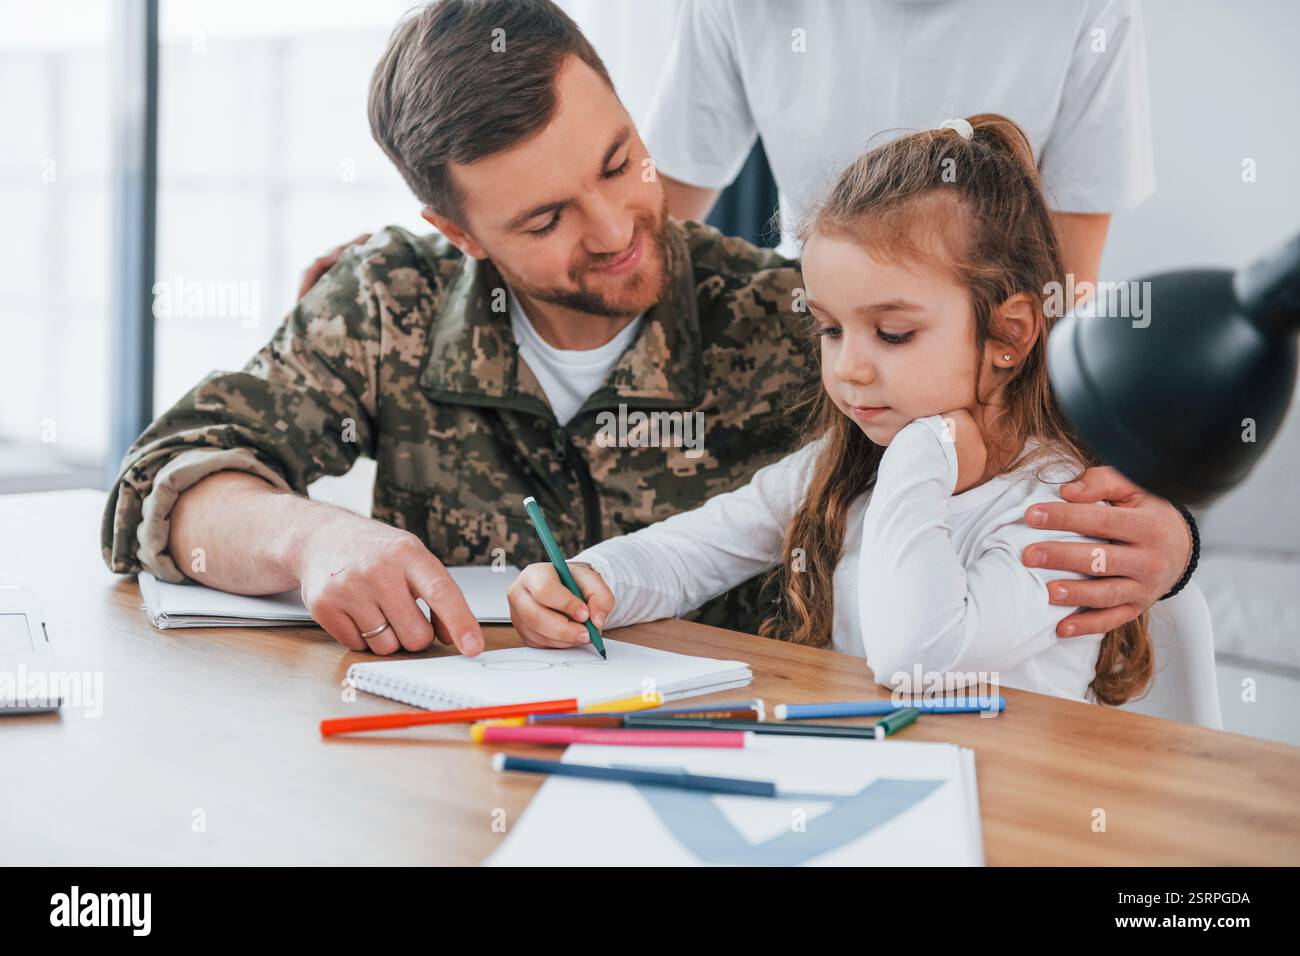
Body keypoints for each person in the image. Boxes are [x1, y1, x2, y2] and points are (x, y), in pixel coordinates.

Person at [104, 0, 1192, 659]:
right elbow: (157, 481)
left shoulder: (795, 323)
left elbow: (1015, 425)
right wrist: (312, 538)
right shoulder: (388, 301)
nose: (623, 229)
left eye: (623, 162)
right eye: (543, 218)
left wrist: (1170, 541)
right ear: (455, 229)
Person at [508, 115, 1155, 704]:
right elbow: (694, 550)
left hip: (1019, 813)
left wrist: (920, 454)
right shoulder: (839, 467)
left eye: (893, 333)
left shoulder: (1062, 509)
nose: (848, 368)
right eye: (830, 329)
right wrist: (593, 579)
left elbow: (919, 654)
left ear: (1009, 336)